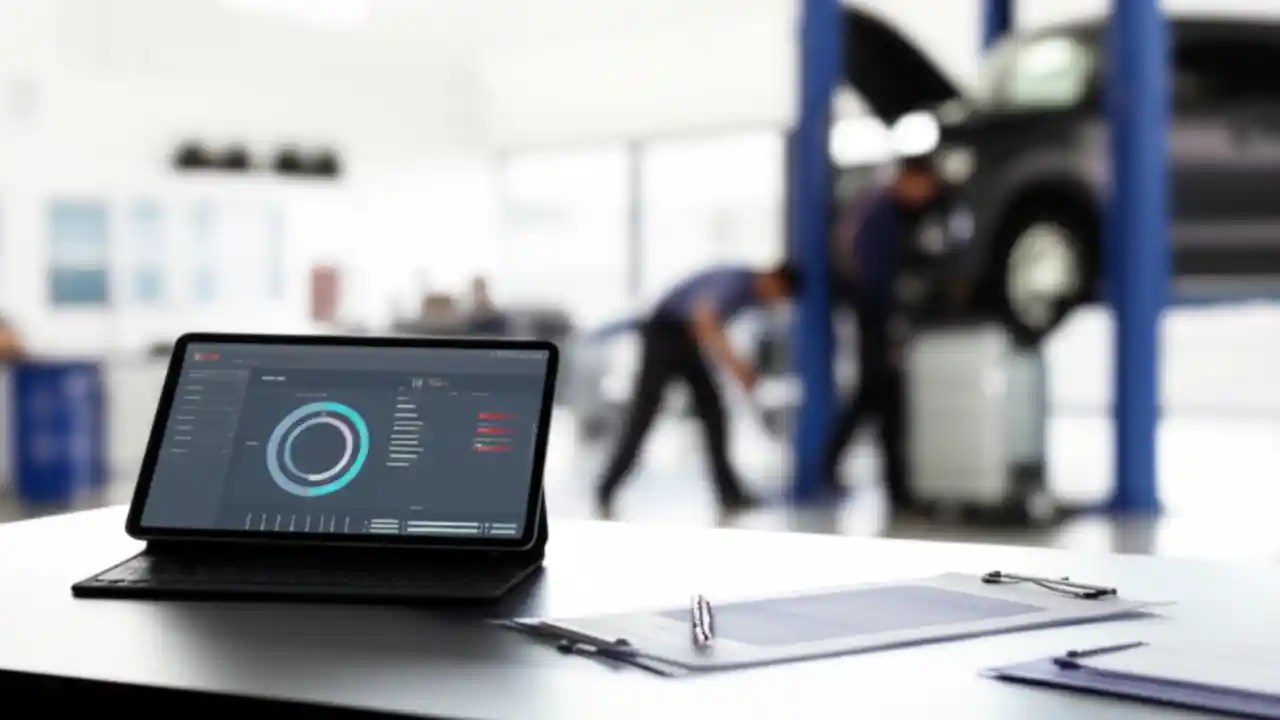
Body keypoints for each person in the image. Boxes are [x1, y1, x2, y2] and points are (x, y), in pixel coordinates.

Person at [596, 263, 801, 514]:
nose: (774, 301)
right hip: (666, 332)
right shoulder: (737, 282)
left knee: (713, 412)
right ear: (774, 280)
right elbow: (704, 318)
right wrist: (737, 366)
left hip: (684, 338)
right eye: (779, 295)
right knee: (644, 415)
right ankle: (606, 487)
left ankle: (729, 493)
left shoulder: (748, 292)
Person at [824, 156, 942, 508]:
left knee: (880, 400)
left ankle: (892, 488)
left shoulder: (885, 209)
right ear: (909, 178)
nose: (927, 196)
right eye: (926, 186)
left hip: (876, 317)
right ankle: (885, 486)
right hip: (875, 318)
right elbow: (873, 277)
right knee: (878, 397)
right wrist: (893, 327)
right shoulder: (881, 212)